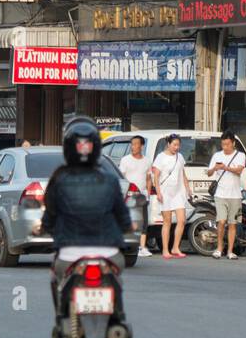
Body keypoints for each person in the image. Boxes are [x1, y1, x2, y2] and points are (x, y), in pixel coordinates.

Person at [40, 119, 133, 315]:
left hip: (69, 254)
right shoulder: (110, 180)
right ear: (97, 148)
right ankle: (118, 316)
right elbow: (124, 218)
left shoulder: (59, 179)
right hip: (109, 254)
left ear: (67, 149)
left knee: (55, 276)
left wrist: (43, 228)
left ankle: (62, 316)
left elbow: (49, 217)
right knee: (117, 279)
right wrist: (128, 227)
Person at [207, 132, 246, 260]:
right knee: (221, 221)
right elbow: (208, 173)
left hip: (235, 195)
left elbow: (239, 170)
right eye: (223, 144)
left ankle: (230, 251)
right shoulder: (217, 155)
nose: (225, 147)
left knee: (232, 223)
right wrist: (214, 168)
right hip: (220, 194)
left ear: (233, 143)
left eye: (227, 144)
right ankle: (219, 248)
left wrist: (225, 168)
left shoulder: (240, 155)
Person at [153, 134, 191, 260]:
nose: (176, 147)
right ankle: (165, 249)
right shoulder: (160, 157)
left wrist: (188, 188)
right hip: (165, 192)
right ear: (168, 144)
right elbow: (156, 177)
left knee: (182, 220)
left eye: (178, 145)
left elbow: (183, 174)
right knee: (167, 221)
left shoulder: (179, 157)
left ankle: (175, 247)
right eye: (174, 144)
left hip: (178, 192)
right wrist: (158, 193)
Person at [119, 135, 154, 259]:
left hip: (142, 195)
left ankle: (142, 247)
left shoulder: (147, 160)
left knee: (143, 221)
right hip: (128, 195)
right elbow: (121, 177)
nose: (133, 147)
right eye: (132, 144)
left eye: (135, 144)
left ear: (142, 146)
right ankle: (127, 244)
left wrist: (148, 193)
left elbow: (148, 178)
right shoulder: (125, 160)